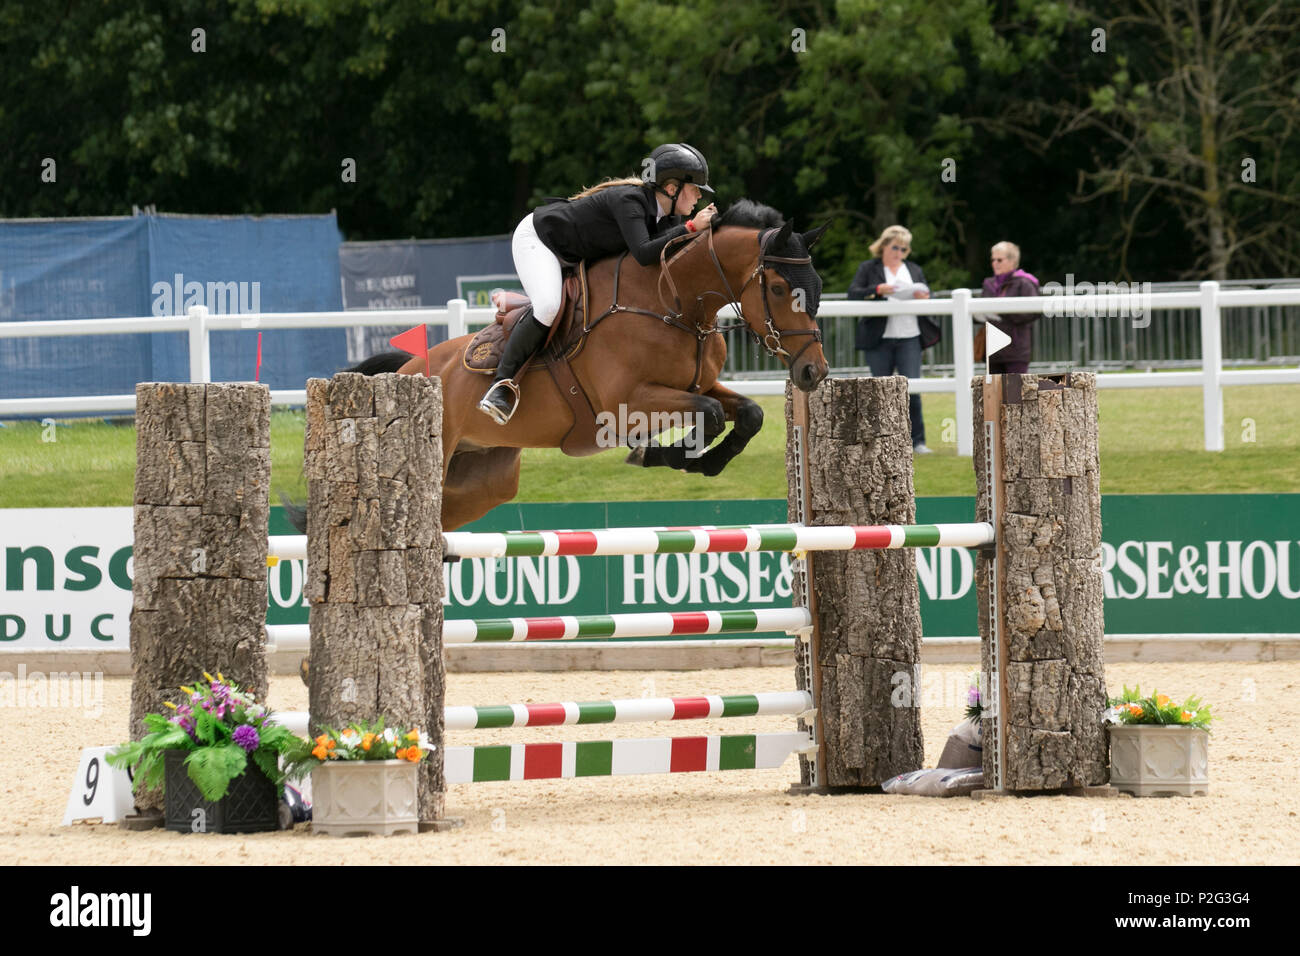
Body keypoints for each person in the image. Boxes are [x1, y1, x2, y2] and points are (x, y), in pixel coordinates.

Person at [477, 143, 718, 424]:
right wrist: (690, 229)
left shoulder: (667, 216)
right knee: (548, 306)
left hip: (575, 252)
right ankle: (501, 385)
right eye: (695, 188)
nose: (700, 195)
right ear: (671, 187)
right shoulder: (631, 201)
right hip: (540, 240)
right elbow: (643, 253)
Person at [847, 225, 940, 453]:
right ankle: (881, 441)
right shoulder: (868, 268)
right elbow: (853, 293)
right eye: (895, 247)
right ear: (884, 246)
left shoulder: (914, 269)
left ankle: (917, 441)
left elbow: (929, 294)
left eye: (904, 248)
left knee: (912, 391)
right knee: (879, 392)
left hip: (910, 337)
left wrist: (924, 296)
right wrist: (878, 289)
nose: (899, 252)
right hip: (879, 339)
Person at [980, 241, 1040, 374]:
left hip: (1015, 349)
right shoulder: (988, 284)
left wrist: (1003, 311)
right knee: (993, 394)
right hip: (993, 349)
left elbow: (1034, 312)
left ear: (1012, 261)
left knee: (1015, 393)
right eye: (993, 259)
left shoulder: (1024, 283)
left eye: (999, 260)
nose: (995, 263)